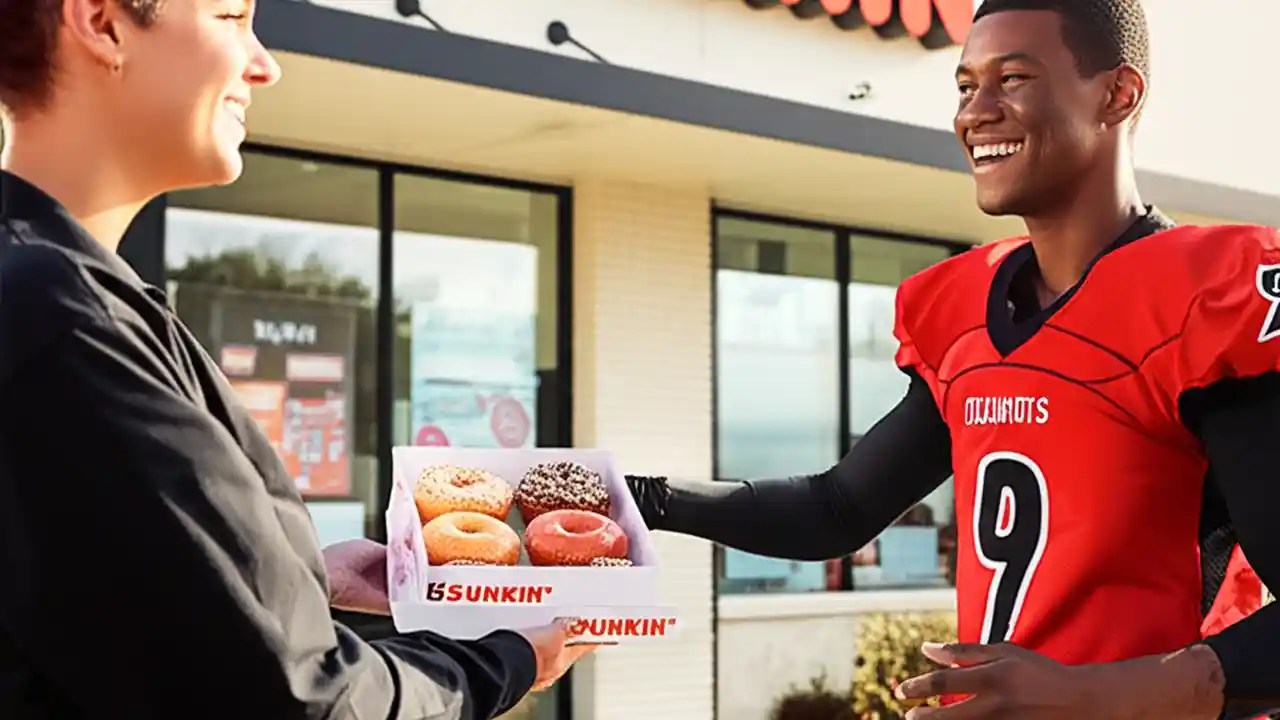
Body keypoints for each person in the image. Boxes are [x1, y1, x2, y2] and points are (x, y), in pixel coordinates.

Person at [628, 1, 1280, 717]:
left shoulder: (1207, 297)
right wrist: (639, 498)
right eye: (966, 86)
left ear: (1118, 95)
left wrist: (1087, 694)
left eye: (1015, 79)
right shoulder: (965, 310)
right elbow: (838, 506)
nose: (977, 112)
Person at [0, 0, 594, 717]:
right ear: (101, 21)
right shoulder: (64, 319)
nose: (265, 65)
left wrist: (300, 575)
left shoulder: (64, 298)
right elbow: (303, 700)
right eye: (230, 16)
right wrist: (505, 656)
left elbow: (103, 598)